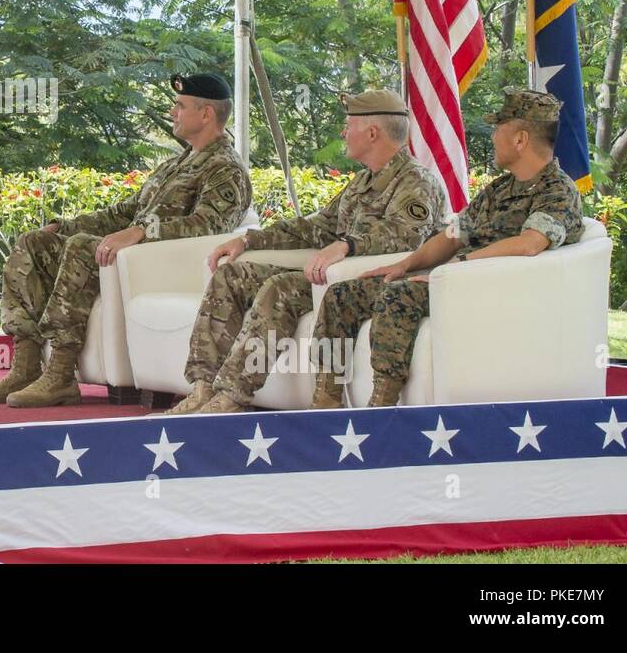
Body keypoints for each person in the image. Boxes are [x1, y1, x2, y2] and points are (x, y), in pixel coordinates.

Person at [0, 73, 252, 408]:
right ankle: (26, 365)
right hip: (128, 263)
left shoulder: (226, 168)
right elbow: (126, 212)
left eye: (180, 105)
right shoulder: (176, 164)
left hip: (163, 269)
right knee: (34, 243)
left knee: (83, 248)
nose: (172, 112)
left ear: (206, 114)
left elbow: (208, 226)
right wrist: (64, 227)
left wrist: (143, 231)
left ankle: (60, 373)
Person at [169, 88, 447, 415]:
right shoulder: (361, 182)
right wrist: (249, 241)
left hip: (366, 283)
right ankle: (203, 386)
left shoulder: (416, 180)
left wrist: (347, 245)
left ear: (373, 133)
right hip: (328, 277)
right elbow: (314, 227)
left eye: (349, 125)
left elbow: (405, 236)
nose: (343, 133)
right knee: (233, 274)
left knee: (280, 288)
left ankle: (231, 395)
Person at [312, 88, 584, 408]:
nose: (493, 135)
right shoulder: (500, 189)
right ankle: (326, 401)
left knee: (397, 296)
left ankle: (382, 405)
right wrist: (407, 265)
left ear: (520, 139)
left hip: (489, 289)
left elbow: (530, 244)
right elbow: (453, 235)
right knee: (341, 295)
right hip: (453, 279)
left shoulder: (558, 190)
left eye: (499, 128)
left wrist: (460, 266)